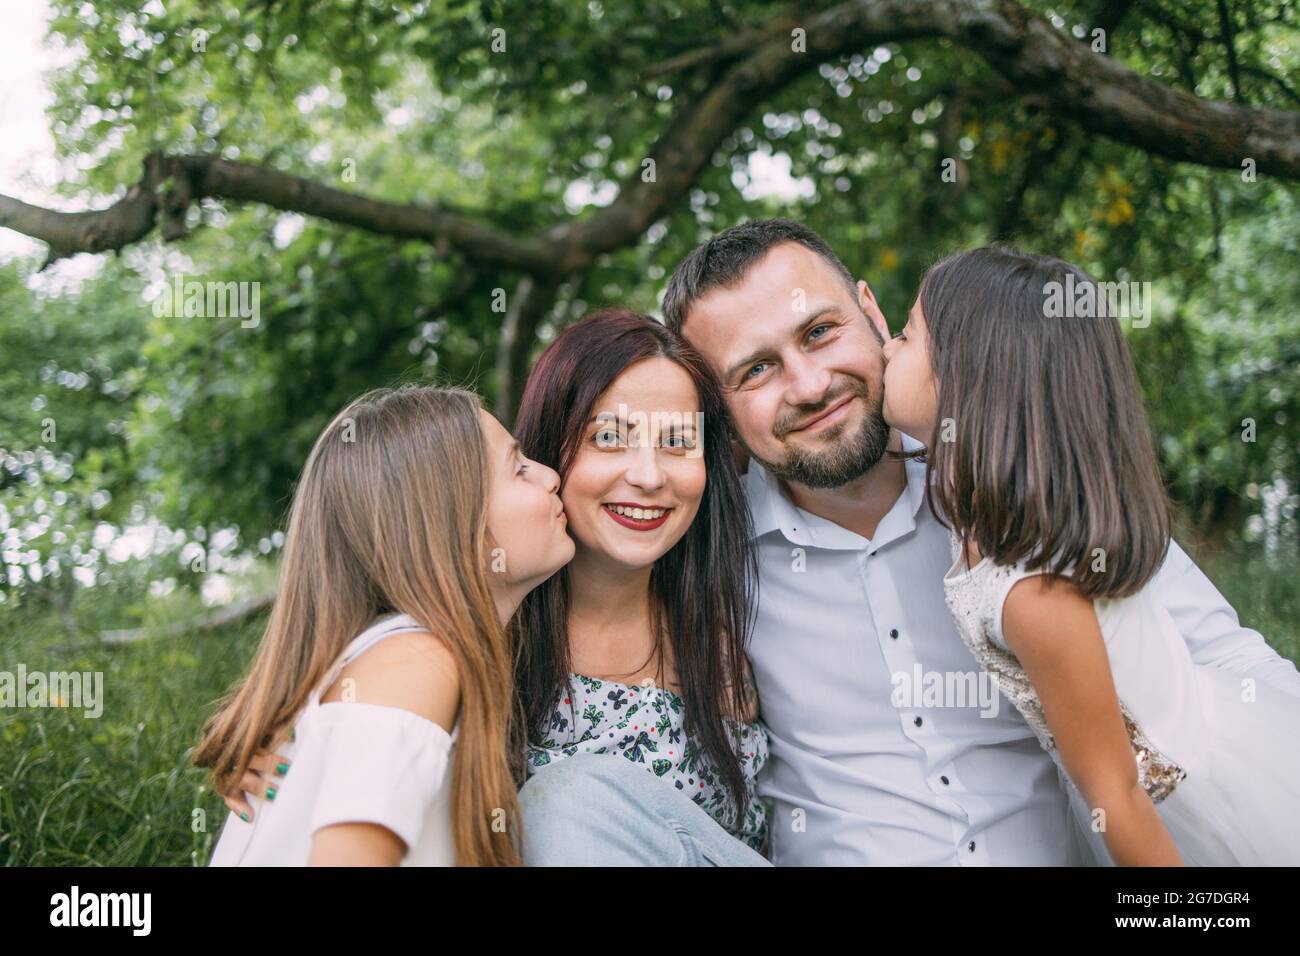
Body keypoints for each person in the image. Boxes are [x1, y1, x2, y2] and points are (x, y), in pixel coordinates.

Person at [880, 245, 1300, 865]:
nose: (887, 348)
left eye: (907, 336)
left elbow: (1119, 794)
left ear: (971, 375)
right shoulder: (995, 509)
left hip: (1182, 808)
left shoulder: (1030, 588)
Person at [197, 385, 573, 865]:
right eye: (519, 469)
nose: (550, 477)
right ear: (452, 523)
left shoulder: (398, 660)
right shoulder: (416, 663)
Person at [513, 307, 771, 866]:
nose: (649, 476)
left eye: (678, 441)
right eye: (610, 437)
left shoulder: (727, 634)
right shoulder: (492, 640)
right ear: (548, 450)